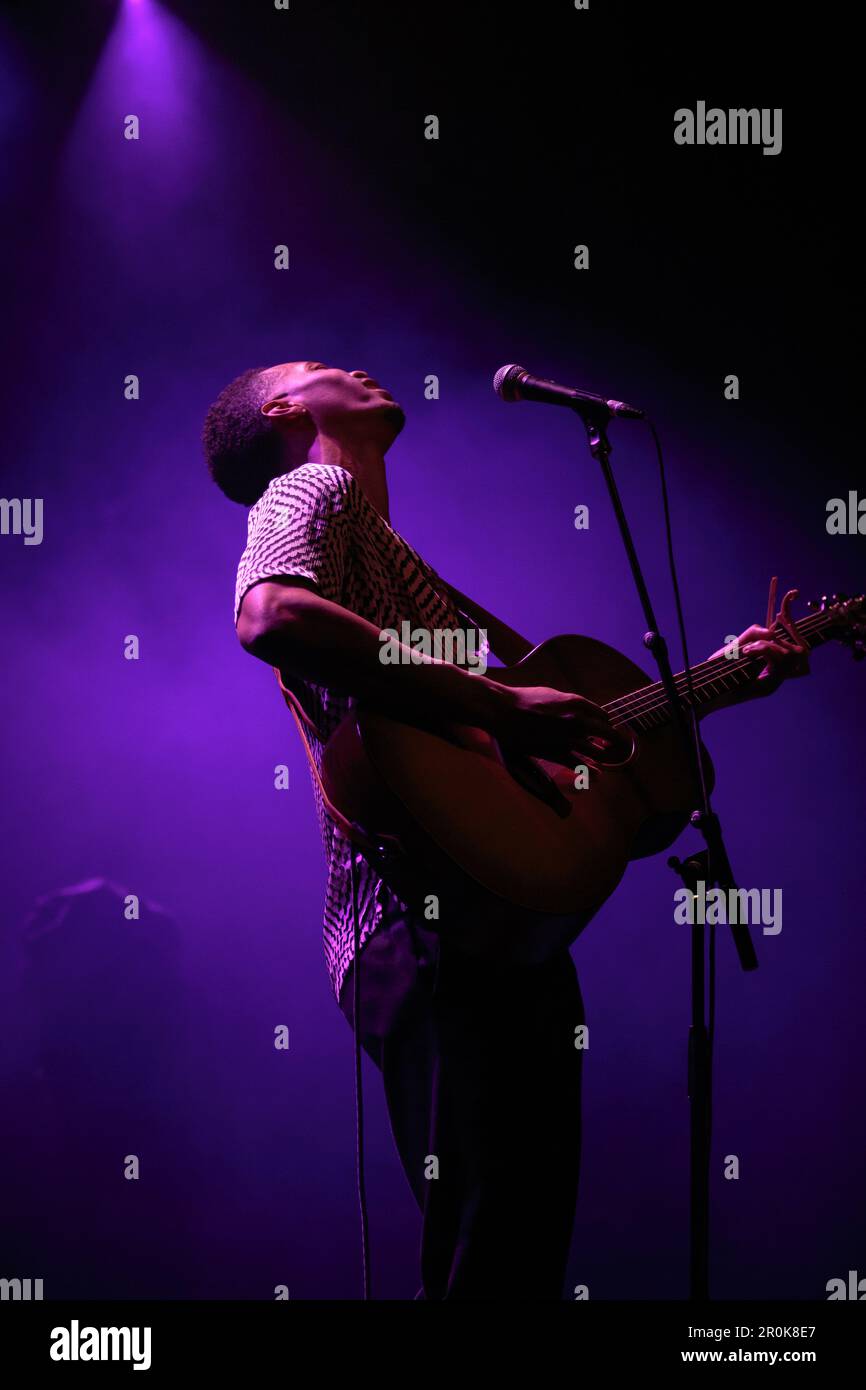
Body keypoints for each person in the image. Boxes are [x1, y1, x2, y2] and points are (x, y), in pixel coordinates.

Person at [203, 359, 808, 1300]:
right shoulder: (310, 486)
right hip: (420, 916)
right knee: (493, 1253)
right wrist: (500, 700)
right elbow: (270, 613)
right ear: (285, 412)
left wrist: (723, 677)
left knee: (512, 1254)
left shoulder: (398, 564)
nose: (357, 367)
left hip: (492, 915)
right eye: (324, 366)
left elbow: (532, 745)